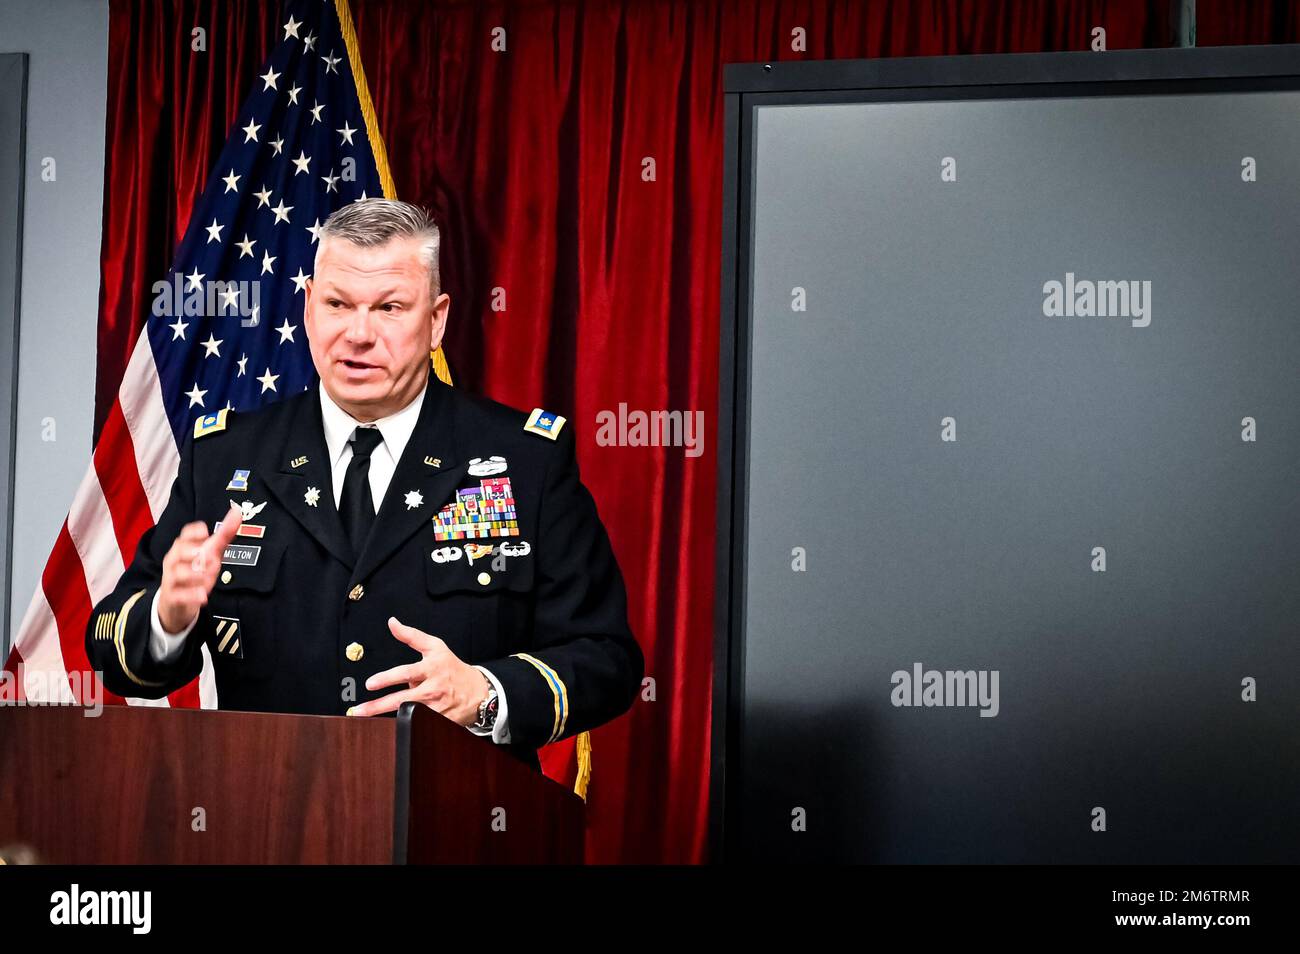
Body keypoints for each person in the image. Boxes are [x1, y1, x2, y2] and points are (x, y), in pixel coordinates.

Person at [85, 198, 643, 770]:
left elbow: (606, 658)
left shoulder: (524, 460)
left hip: (457, 824)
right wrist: (166, 620)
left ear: (437, 319)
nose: (358, 334)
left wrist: (486, 694)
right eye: (337, 304)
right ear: (307, 310)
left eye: (390, 308)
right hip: (268, 822)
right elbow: (106, 641)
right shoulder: (225, 458)